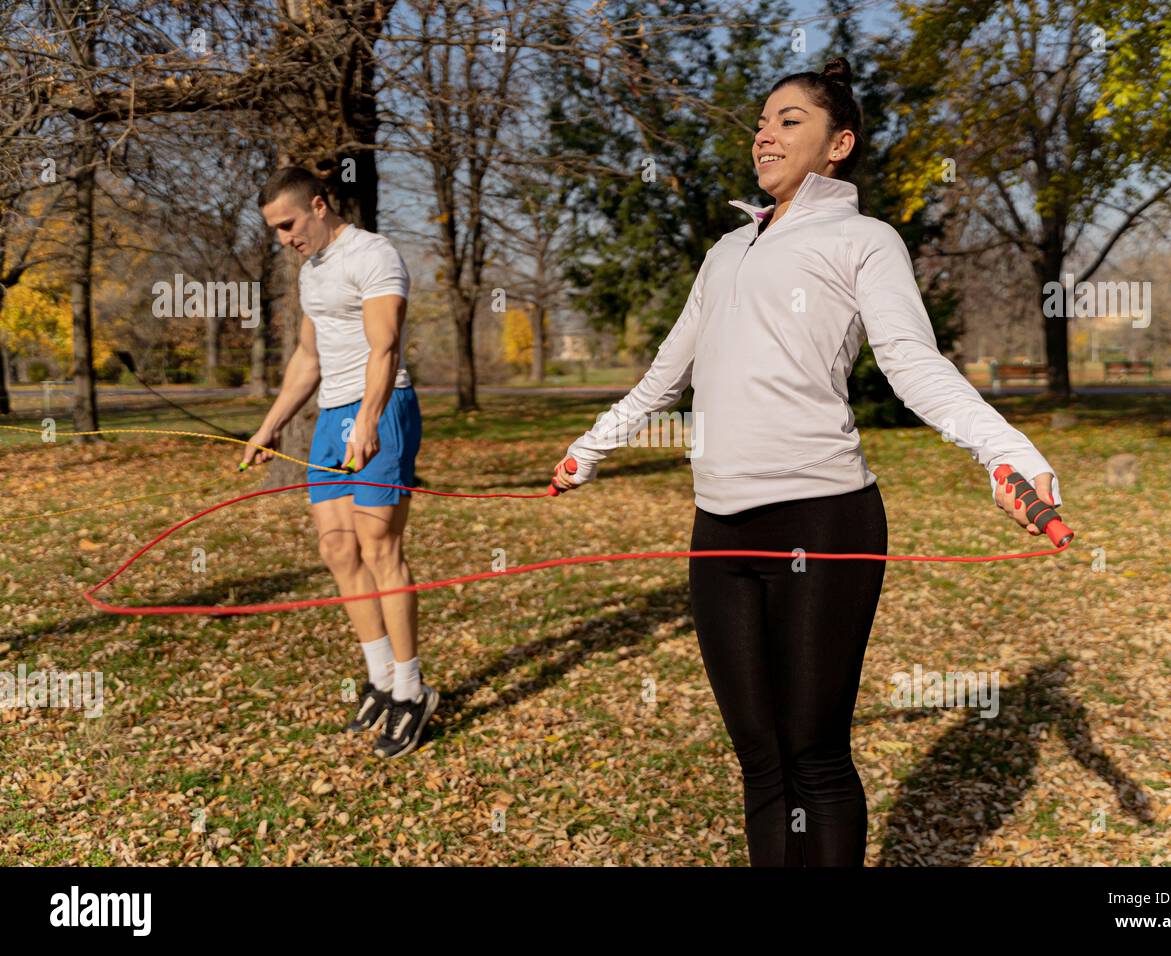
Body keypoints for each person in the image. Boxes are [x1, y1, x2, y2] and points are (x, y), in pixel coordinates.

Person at [550, 58, 1062, 865]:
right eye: (762, 120)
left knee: (814, 752)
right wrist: (591, 447)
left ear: (838, 145)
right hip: (719, 526)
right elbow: (666, 371)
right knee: (759, 754)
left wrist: (1009, 452)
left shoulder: (863, 239)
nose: (766, 132)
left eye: (790, 120)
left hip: (822, 520)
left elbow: (913, 363)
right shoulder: (726, 251)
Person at [241, 166, 437, 759]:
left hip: (383, 409)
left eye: (288, 225)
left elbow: (386, 346)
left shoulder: (373, 255)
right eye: (274, 229)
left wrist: (372, 422)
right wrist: (269, 426)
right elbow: (308, 356)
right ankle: (379, 679)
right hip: (331, 417)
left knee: (380, 551)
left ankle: (412, 689)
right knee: (337, 550)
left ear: (319, 206)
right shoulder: (312, 271)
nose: (283, 238)